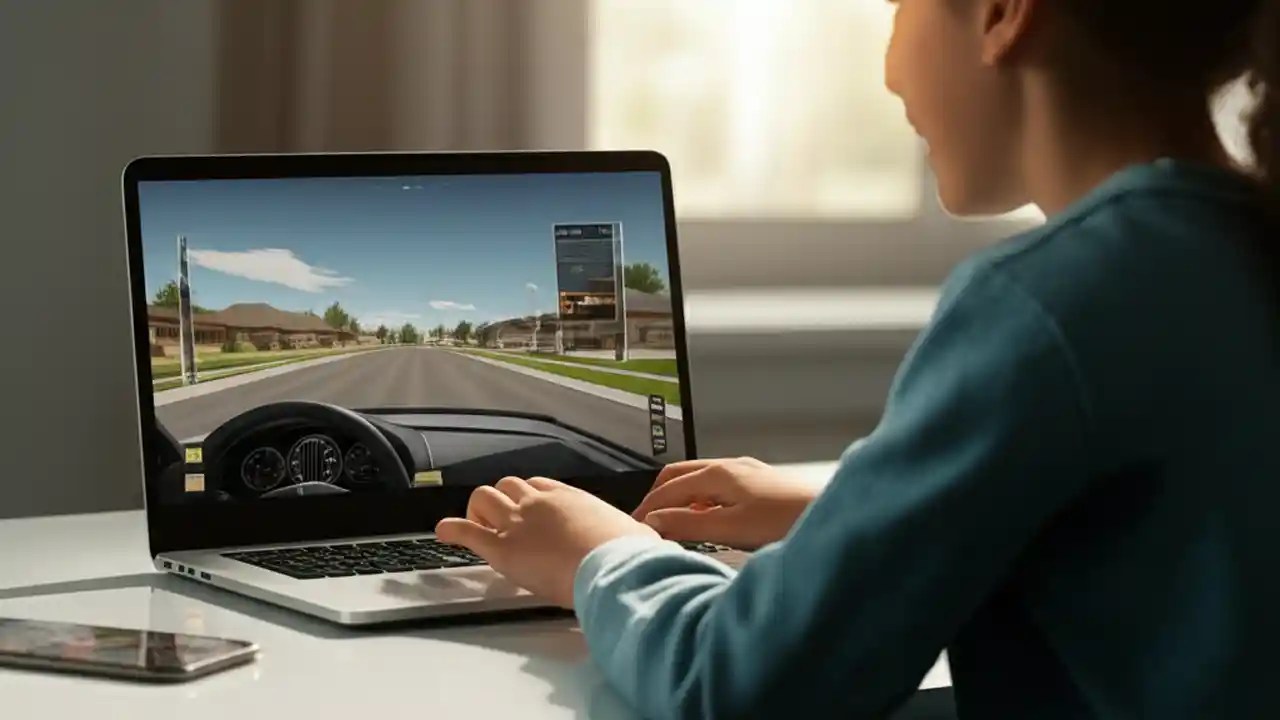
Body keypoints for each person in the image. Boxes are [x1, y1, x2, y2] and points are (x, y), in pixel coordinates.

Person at [437, 0, 1280, 717]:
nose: (888, 71)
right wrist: (846, 512)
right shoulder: (1237, 249)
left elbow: (742, 685)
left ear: (1002, 13)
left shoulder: (1053, 303)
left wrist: (599, 554)